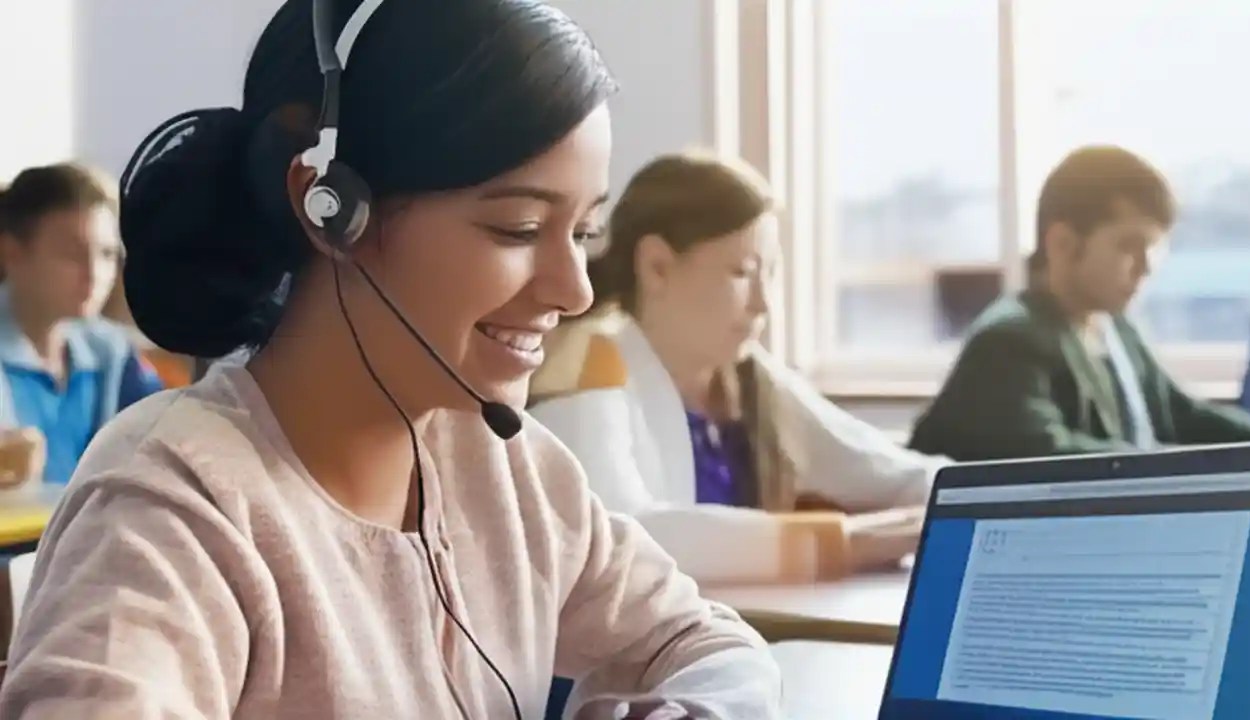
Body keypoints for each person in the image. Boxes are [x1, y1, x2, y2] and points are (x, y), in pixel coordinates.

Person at [0, 2, 781, 719]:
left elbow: (709, 644)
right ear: (328, 206)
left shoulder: (508, 474)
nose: (574, 290)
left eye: (581, 234)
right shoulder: (172, 509)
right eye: (517, 227)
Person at [530, 152, 946, 585]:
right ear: (656, 266)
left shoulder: (746, 375)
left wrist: (990, 500)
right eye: (742, 272)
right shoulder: (587, 359)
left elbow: (890, 473)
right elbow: (621, 535)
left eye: (770, 275)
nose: (763, 303)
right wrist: (847, 540)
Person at [910, 145, 1250, 460]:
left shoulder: (1111, 325)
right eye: (1127, 246)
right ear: (1063, 244)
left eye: (1153, 248)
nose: (1146, 267)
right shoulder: (1009, 340)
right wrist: (1170, 471)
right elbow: (1047, 456)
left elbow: (1186, 418)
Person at [0, 163, 164, 485]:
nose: (94, 275)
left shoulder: (112, 352)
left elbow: (164, 438)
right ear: (11, 253)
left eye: (106, 254)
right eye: (71, 255)